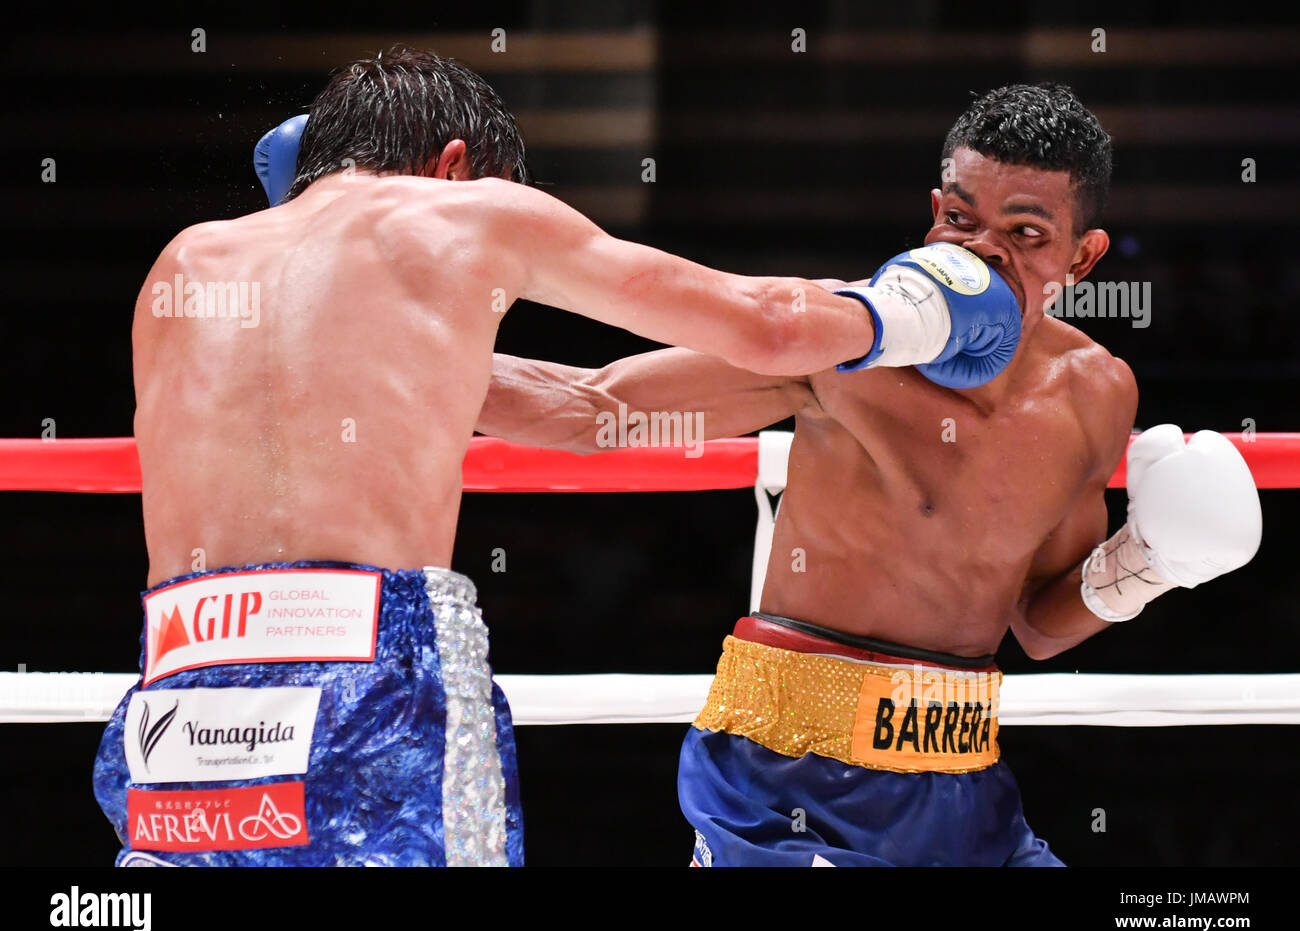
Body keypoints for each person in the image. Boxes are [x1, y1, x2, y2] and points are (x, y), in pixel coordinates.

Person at [93, 46, 1016, 867]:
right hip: (368, 668)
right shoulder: (468, 214)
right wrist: (912, 311)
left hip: (178, 696)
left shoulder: (181, 265)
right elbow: (767, 329)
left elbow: (573, 409)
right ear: (456, 166)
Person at [477, 82, 1263, 866]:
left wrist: (1150, 568)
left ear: (1083, 257)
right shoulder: (838, 342)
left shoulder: (1096, 393)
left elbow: (1039, 621)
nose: (983, 253)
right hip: (786, 783)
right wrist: (388, 363)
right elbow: (590, 406)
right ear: (932, 213)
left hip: (965, 789)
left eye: (1025, 233)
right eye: (961, 220)